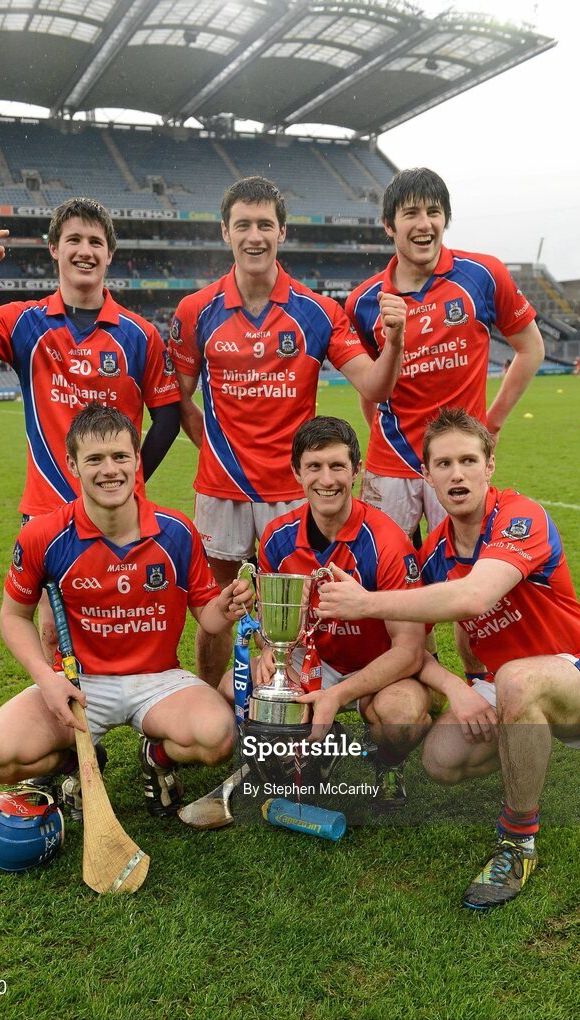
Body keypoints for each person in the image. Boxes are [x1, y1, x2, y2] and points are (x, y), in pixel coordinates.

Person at [316, 408, 580, 909]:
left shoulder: (520, 516)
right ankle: (527, 740)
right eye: (444, 464)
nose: (457, 474)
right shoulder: (434, 552)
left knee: (518, 680)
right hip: (502, 682)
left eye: (468, 461)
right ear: (427, 475)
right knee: (440, 761)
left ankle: (517, 843)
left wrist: (367, 602)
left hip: (577, 672)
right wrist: (464, 685)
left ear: (489, 465)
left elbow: (474, 597)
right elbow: (418, 651)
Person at [169, 176, 406, 685]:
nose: (254, 236)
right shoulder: (196, 310)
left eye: (264, 225)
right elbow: (179, 396)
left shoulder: (317, 311)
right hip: (222, 489)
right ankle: (210, 703)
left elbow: (375, 385)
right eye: (242, 225)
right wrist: (212, 448)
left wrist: (394, 343)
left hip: (293, 491)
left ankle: (293, 701)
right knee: (219, 610)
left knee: (292, 616)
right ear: (225, 232)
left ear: (282, 232)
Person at [0, 403, 253, 818]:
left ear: (137, 460)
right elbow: (13, 617)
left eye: (120, 456)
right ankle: (78, 763)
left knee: (218, 738)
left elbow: (207, 617)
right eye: (95, 459)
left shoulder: (176, 531)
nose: (110, 470)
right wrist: (46, 680)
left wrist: (225, 608)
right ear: (72, 465)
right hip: (79, 683)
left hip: (158, 680)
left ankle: (157, 756)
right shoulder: (43, 535)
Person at [0, 197, 181, 655]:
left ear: (109, 254)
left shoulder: (139, 334)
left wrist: (131, 479)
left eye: (96, 242)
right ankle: (66, 703)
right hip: (48, 510)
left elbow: (168, 417)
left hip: (118, 509)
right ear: (54, 249)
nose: (85, 250)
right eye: (74, 239)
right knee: (54, 636)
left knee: (126, 626)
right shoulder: (23, 321)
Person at [219, 416, 430, 808]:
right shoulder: (278, 537)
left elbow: (409, 651)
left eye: (337, 466)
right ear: (296, 471)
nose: (327, 479)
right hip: (314, 660)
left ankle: (388, 763)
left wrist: (336, 695)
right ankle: (322, 744)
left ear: (357, 470)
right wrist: (270, 652)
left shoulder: (388, 542)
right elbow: (271, 623)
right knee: (234, 688)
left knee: (402, 716)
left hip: (378, 667)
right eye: (314, 466)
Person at [346, 168, 545, 541]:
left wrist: (492, 425)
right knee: (383, 565)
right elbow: (368, 383)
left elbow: (531, 348)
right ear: (389, 225)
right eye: (411, 213)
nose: (425, 224)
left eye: (434, 212)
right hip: (391, 462)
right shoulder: (363, 302)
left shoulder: (483, 275)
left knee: (461, 566)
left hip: (459, 460)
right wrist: (381, 435)